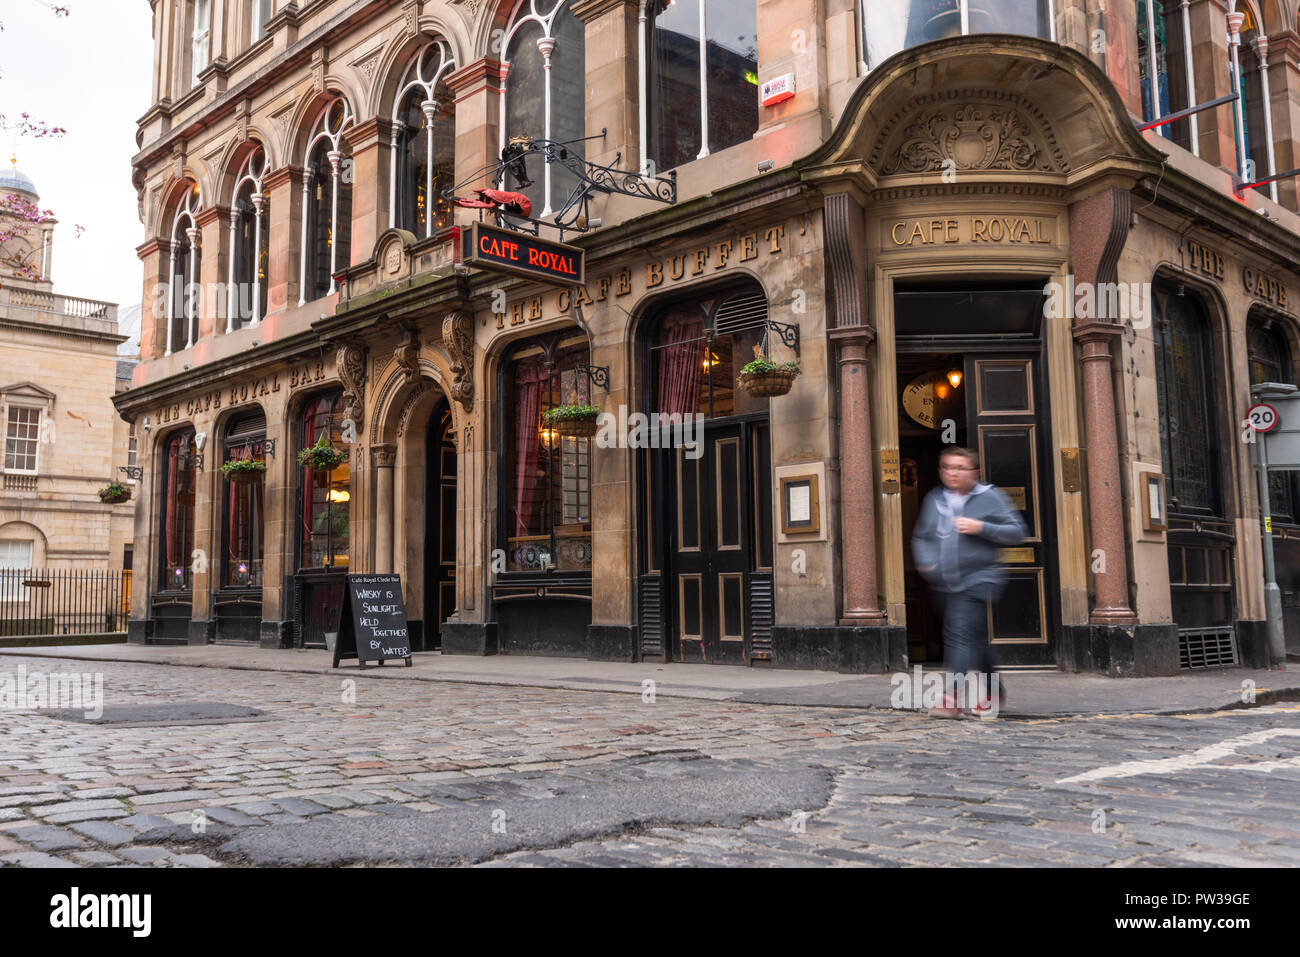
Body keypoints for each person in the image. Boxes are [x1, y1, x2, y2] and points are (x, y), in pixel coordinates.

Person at [912, 446, 1027, 718]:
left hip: (978, 579)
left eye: (960, 468)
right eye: (947, 467)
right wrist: (926, 561)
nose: (952, 472)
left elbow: (1017, 532)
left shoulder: (990, 498)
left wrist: (981, 527)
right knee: (973, 640)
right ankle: (995, 693)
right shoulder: (935, 499)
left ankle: (952, 698)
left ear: (974, 472)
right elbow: (922, 535)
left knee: (958, 636)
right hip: (943, 582)